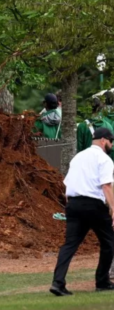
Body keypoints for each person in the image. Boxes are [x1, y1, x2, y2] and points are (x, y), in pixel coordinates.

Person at [50, 127, 114, 296]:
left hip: (74, 204)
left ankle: (58, 283)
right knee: (109, 242)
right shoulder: (104, 159)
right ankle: (102, 281)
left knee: (69, 245)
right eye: (111, 142)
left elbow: (68, 185)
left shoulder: (78, 157)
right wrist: (113, 209)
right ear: (104, 140)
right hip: (93, 205)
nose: (111, 145)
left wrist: (70, 205)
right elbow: (106, 185)